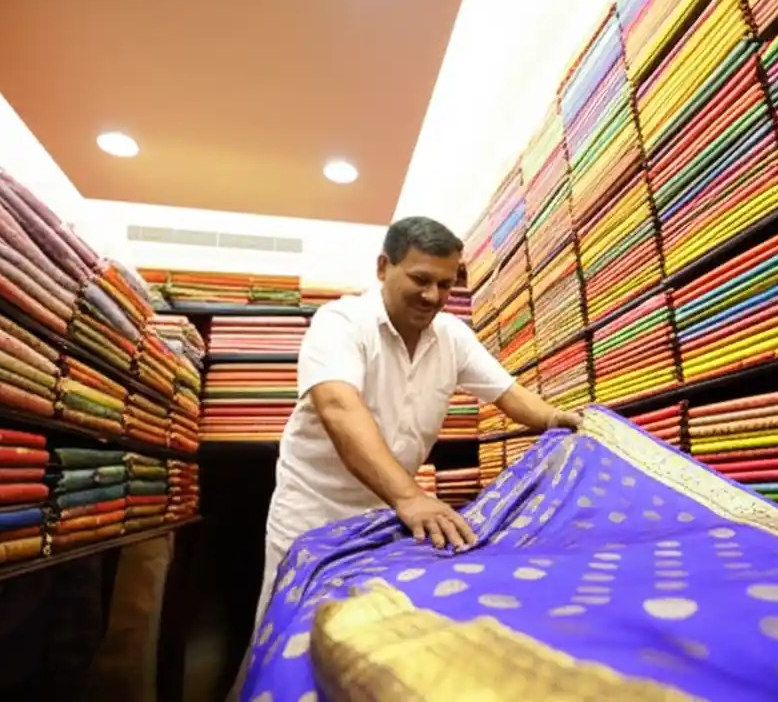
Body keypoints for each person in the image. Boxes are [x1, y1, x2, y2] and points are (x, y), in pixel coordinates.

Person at [231, 216, 581, 698]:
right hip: (311, 518)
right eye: (420, 279)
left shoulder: (452, 337)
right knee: (287, 639)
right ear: (383, 267)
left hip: (385, 522)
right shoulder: (340, 323)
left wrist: (566, 421)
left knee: (366, 643)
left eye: (445, 284)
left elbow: (511, 395)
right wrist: (411, 497)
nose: (434, 296)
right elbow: (338, 408)